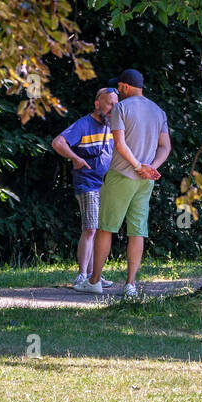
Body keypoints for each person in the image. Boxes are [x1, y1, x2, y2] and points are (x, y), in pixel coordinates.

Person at [77, 69, 171, 299]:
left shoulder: (121, 108)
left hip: (122, 175)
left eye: (119, 87)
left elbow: (119, 143)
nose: (118, 92)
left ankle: (95, 281)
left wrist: (138, 165)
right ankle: (130, 285)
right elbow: (165, 146)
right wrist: (151, 167)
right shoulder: (158, 111)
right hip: (145, 180)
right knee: (137, 231)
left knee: (105, 228)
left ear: (126, 87)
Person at [52, 87, 119, 288]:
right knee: (90, 228)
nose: (113, 109)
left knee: (99, 230)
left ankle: (93, 276)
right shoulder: (83, 124)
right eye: (109, 104)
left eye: (116, 105)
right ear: (97, 103)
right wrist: (76, 158)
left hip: (106, 184)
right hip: (88, 182)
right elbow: (58, 142)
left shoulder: (112, 125)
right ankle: (82, 275)